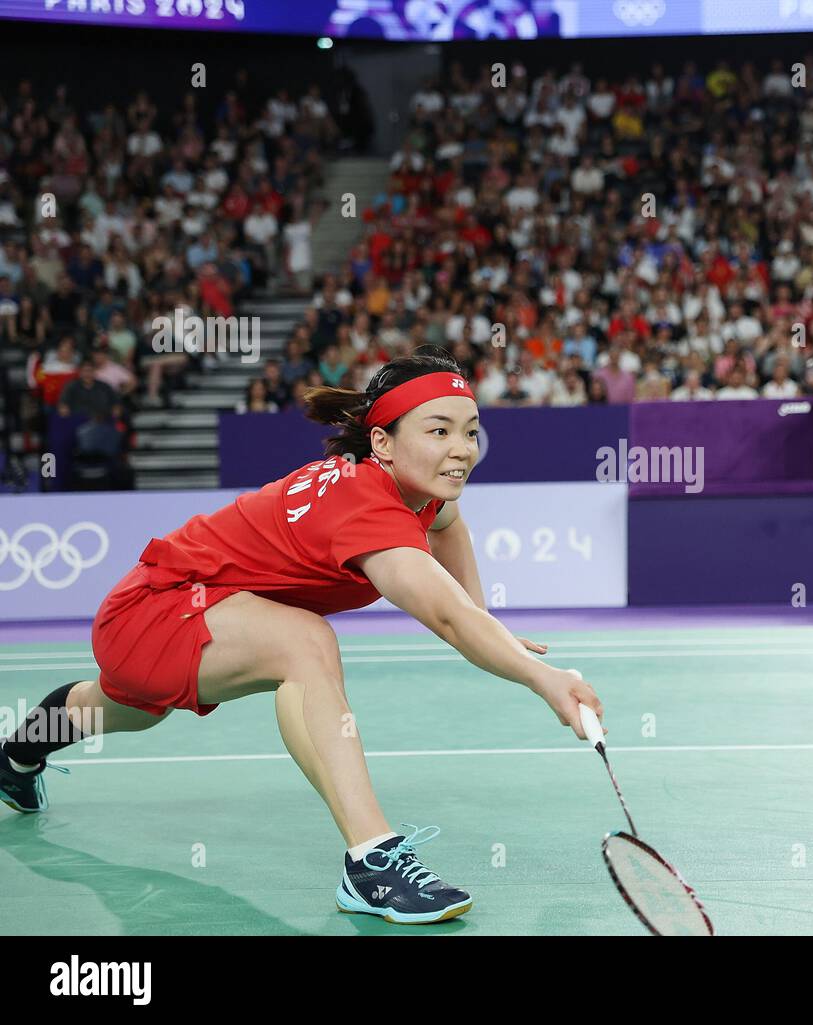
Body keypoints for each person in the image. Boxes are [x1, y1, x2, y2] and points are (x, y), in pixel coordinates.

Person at [0, 349, 605, 925]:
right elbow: (446, 619)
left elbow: (449, 527)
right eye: (439, 431)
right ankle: (371, 862)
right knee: (305, 643)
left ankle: (17, 756)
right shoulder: (366, 503)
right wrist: (542, 677)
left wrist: (484, 621)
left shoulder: (415, 489)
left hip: (161, 617)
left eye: (471, 432)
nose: (462, 450)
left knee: (130, 706)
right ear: (382, 443)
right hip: (156, 609)